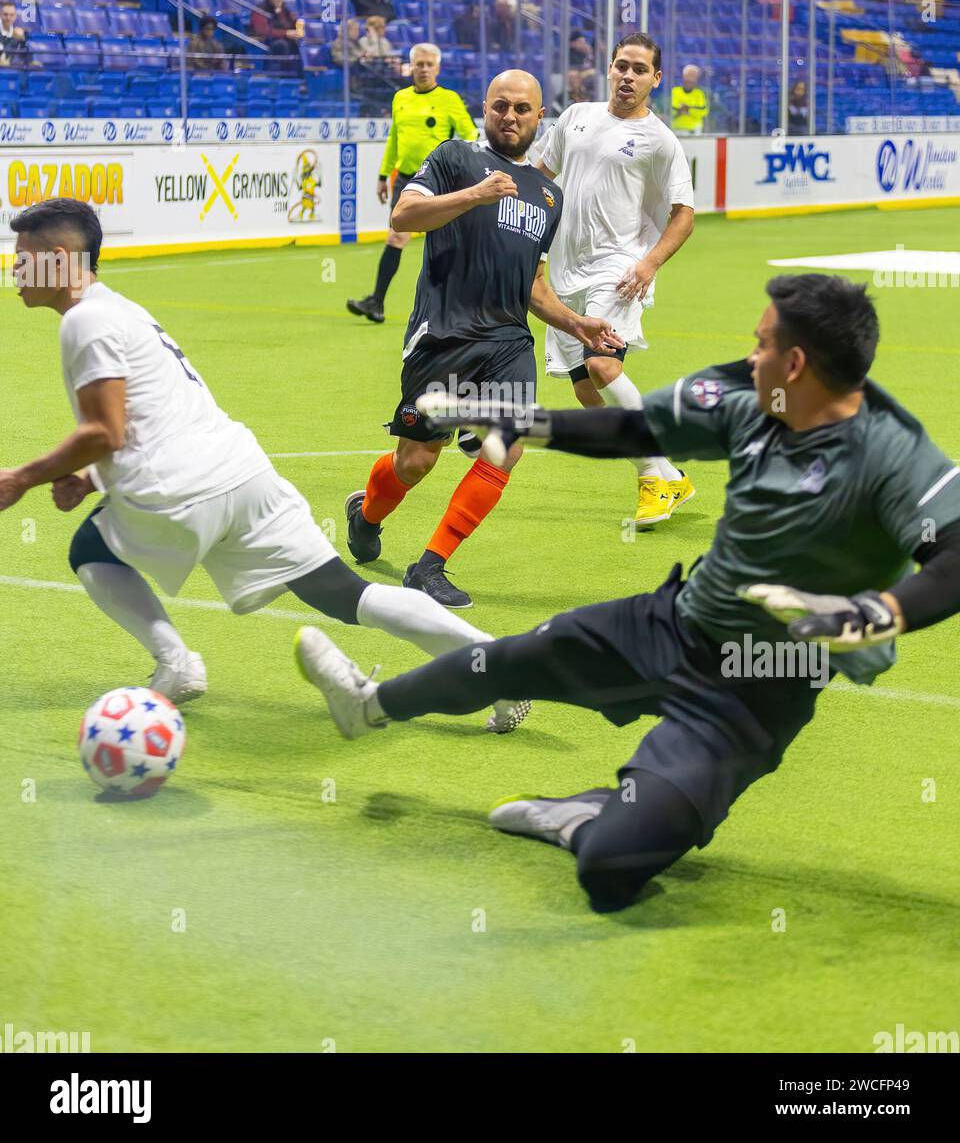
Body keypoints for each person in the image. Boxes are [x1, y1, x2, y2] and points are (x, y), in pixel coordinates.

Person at [295, 274, 960, 914]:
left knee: (611, 871)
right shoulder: (756, 398)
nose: (747, 355)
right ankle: (367, 706)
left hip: (757, 694)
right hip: (676, 623)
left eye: (761, 345)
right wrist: (524, 422)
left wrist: (879, 614)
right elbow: (636, 431)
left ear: (795, 364)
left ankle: (587, 815)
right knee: (507, 661)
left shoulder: (891, 454)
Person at [0, 199, 528, 736]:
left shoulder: (84, 321)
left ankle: (176, 663)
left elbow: (104, 432)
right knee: (349, 596)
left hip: (179, 489)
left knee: (90, 550)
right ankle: (497, 667)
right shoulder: (121, 309)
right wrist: (89, 475)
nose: (14, 269)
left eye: (23, 258)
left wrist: (22, 478)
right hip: (241, 472)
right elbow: (154, 412)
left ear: (60, 258)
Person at [342, 69, 623, 610]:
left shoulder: (548, 196)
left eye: (522, 109)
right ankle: (367, 512)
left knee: (509, 442)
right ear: (485, 109)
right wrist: (475, 193)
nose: (511, 116)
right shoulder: (454, 159)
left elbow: (534, 287)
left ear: (541, 118)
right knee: (417, 462)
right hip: (442, 335)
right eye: (501, 106)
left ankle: (430, 566)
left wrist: (576, 324)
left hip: (507, 341)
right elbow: (404, 213)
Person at [535, 32, 696, 525]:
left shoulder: (660, 140)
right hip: (564, 271)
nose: (628, 75)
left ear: (656, 78)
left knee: (604, 367)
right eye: (621, 65)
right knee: (586, 390)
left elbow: (684, 214)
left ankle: (650, 477)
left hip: (619, 268)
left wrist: (648, 264)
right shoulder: (576, 116)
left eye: (640, 69)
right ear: (609, 69)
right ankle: (671, 476)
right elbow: (541, 175)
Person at [346, 42, 476, 325]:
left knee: (445, 245)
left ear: (438, 68)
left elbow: (470, 135)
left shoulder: (450, 99)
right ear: (411, 67)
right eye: (419, 64)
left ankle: (455, 308)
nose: (424, 69)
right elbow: (394, 138)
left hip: (440, 180)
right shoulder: (400, 98)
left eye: (429, 65)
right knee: (395, 236)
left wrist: (463, 169)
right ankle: (377, 302)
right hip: (406, 179)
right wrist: (383, 175)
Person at [250, 0, 305, 70]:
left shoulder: (284, 9)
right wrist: (285, 33)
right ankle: (285, 74)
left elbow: (293, 23)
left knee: (300, 44)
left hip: (286, 40)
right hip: (268, 42)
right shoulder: (260, 10)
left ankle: (300, 75)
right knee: (282, 45)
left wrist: (298, 26)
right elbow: (262, 31)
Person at [670, 63, 709, 134]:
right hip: (676, 130)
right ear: (683, 76)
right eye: (689, 75)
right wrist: (686, 109)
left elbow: (703, 112)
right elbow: (671, 110)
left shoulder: (699, 93)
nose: (691, 79)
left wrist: (687, 109)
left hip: (695, 131)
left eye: (694, 76)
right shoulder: (675, 91)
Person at [0, 0, 29, 67]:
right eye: (5, 14)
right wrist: (15, 40)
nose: (8, 18)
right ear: (0, 15)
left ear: (15, 16)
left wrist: (22, 40)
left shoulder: (18, 33)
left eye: (11, 15)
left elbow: (24, 55)